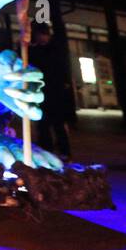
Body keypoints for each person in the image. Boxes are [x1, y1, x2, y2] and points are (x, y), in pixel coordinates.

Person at [27, 22, 75, 159]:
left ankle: (64, 151)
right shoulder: (33, 51)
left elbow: (63, 68)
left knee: (58, 123)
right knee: (43, 124)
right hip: (40, 91)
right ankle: (46, 151)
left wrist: (65, 83)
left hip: (56, 91)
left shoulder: (56, 49)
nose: (41, 38)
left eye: (43, 35)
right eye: (38, 35)